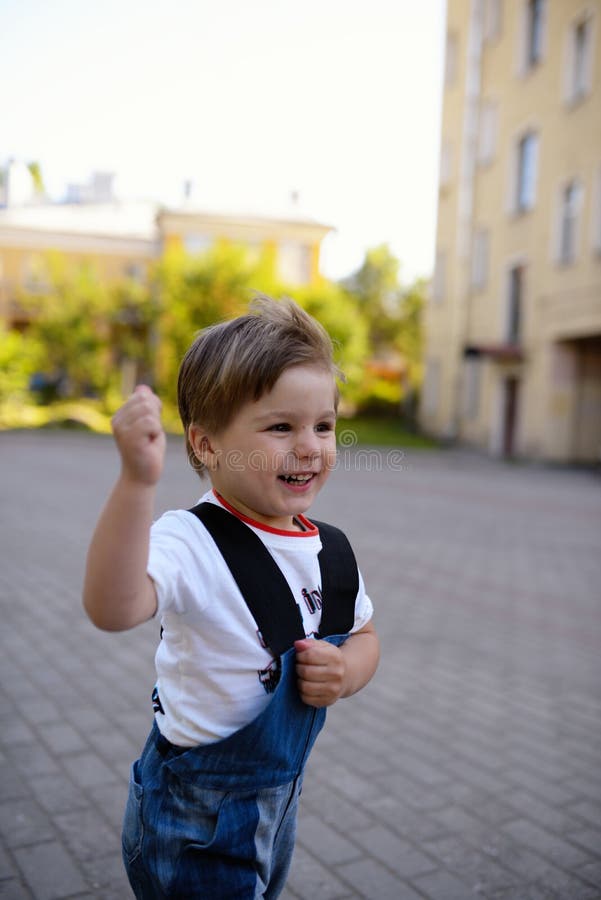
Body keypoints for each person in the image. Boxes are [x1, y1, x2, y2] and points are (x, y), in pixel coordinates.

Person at [83, 294, 380, 899]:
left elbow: (367, 636)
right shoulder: (189, 540)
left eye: (323, 425)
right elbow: (112, 608)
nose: (310, 446)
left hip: (280, 800)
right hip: (195, 819)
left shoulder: (331, 551)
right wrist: (136, 485)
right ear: (208, 445)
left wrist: (347, 670)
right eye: (280, 427)